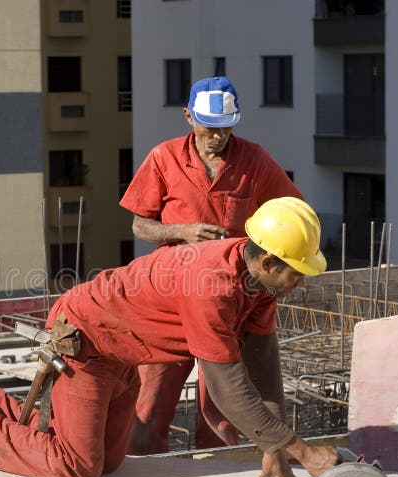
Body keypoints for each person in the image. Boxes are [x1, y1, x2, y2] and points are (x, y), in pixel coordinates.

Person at [0, 197, 340, 477]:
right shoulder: (212, 286)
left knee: (111, 461)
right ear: (267, 261)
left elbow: (263, 367)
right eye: (297, 272)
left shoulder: (259, 285)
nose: (300, 283)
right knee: (78, 466)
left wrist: (275, 446)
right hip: (85, 338)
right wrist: (302, 450)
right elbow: (229, 388)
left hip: (122, 351)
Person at [119, 76, 302, 453]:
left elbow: (290, 211)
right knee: (152, 397)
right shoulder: (163, 157)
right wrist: (183, 231)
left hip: (228, 297)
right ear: (188, 116)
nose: (217, 136)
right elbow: (139, 225)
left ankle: (215, 472)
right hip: (171, 296)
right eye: (209, 127)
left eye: (225, 128)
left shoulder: (255, 160)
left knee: (222, 401)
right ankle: (145, 468)